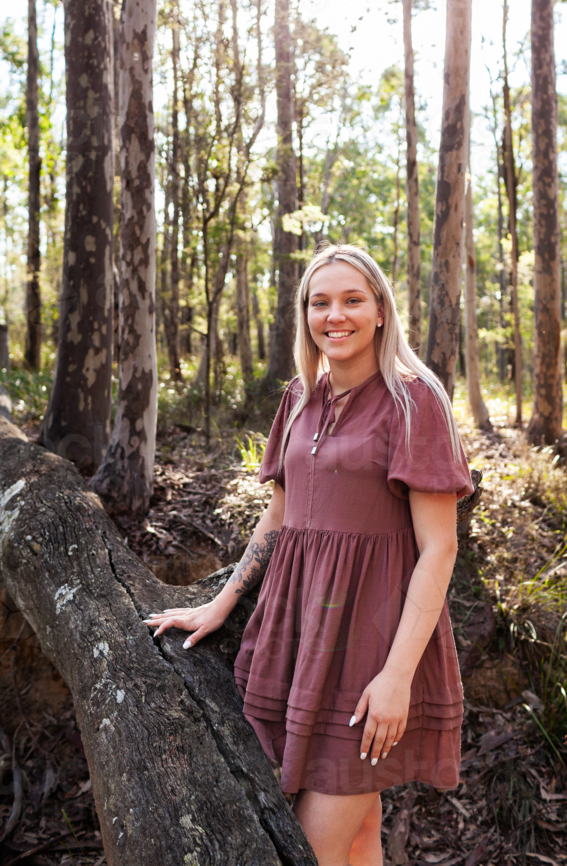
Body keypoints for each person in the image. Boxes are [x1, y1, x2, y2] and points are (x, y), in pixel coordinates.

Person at [146, 245, 473, 866]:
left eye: (353, 299)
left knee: (312, 847)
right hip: (299, 635)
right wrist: (221, 603)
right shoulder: (300, 397)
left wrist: (397, 676)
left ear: (381, 310)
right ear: (304, 315)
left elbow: (439, 547)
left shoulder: (413, 399)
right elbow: (279, 515)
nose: (335, 315)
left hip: (373, 646)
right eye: (320, 302)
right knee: (356, 836)